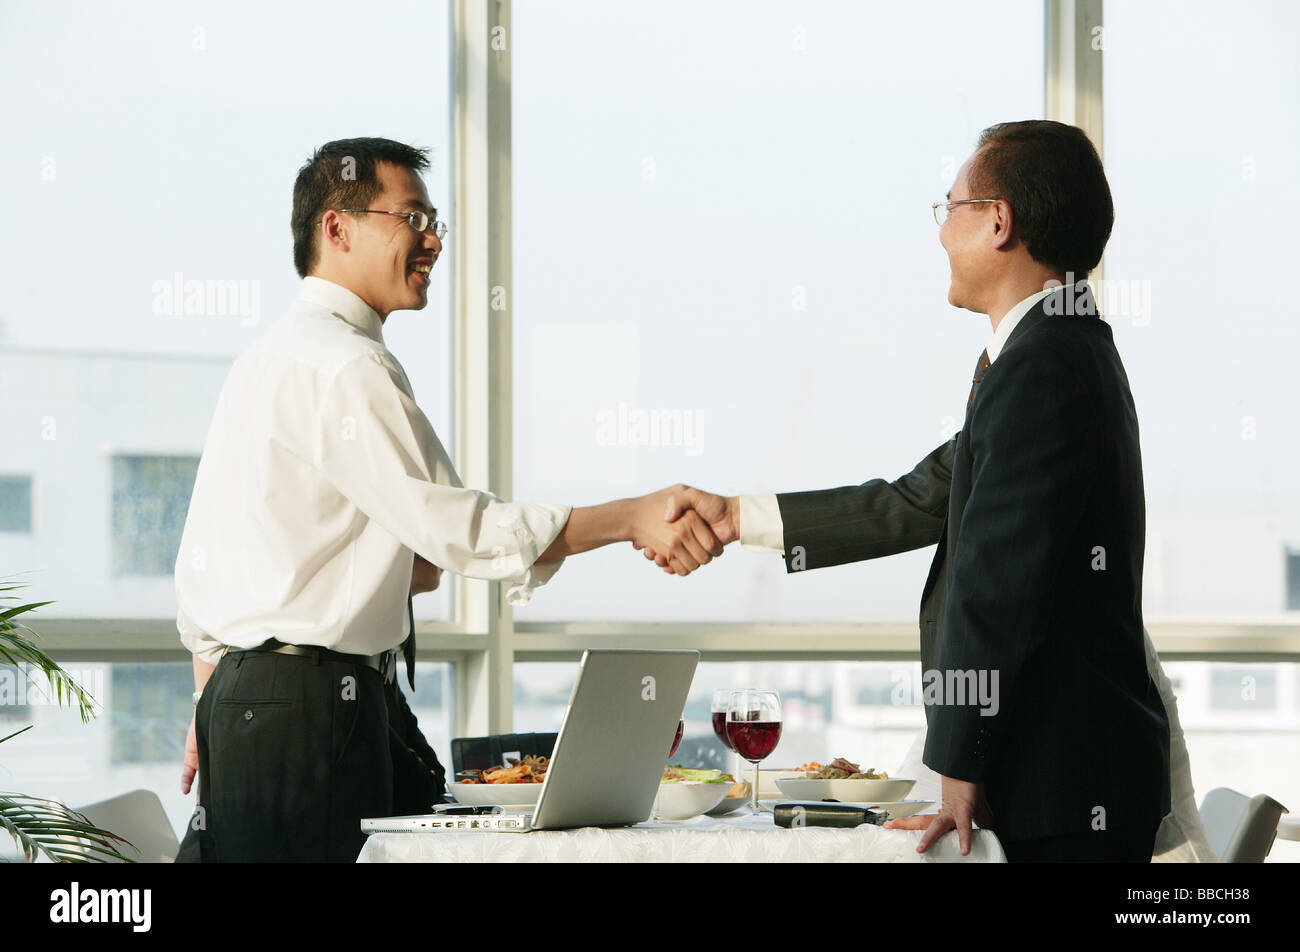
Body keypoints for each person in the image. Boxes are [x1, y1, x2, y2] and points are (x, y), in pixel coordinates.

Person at [174, 137, 723, 862]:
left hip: (271, 699)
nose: (433, 240)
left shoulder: (265, 358)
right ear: (336, 227)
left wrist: (214, 704)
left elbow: (220, 565)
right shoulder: (348, 366)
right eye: (413, 218)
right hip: (307, 707)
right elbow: (462, 533)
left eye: (436, 222)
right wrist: (630, 518)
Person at [646, 121, 1172, 862]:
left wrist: (956, 769)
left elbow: (996, 585)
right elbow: (915, 499)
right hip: (1074, 780)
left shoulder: (1043, 365)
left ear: (999, 220)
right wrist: (738, 519)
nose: (939, 234)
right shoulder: (1054, 348)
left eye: (949, 208)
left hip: (1063, 791)